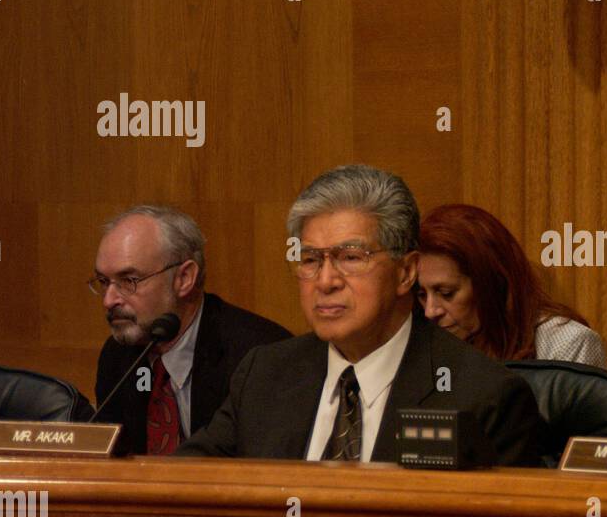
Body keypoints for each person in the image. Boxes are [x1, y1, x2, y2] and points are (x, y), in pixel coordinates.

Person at [177, 166, 546, 466]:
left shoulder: (484, 396)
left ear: (406, 272)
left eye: (351, 258)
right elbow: (185, 484)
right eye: (310, 259)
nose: (325, 281)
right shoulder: (265, 375)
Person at [91, 205, 291, 454]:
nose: (109, 300)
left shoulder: (258, 357)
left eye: (129, 280)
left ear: (184, 278)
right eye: (104, 282)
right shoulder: (119, 356)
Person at [416, 203, 607, 367]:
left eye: (446, 293)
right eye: (422, 295)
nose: (430, 312)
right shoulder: (428, 347)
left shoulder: (567, 343)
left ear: (491, 284)